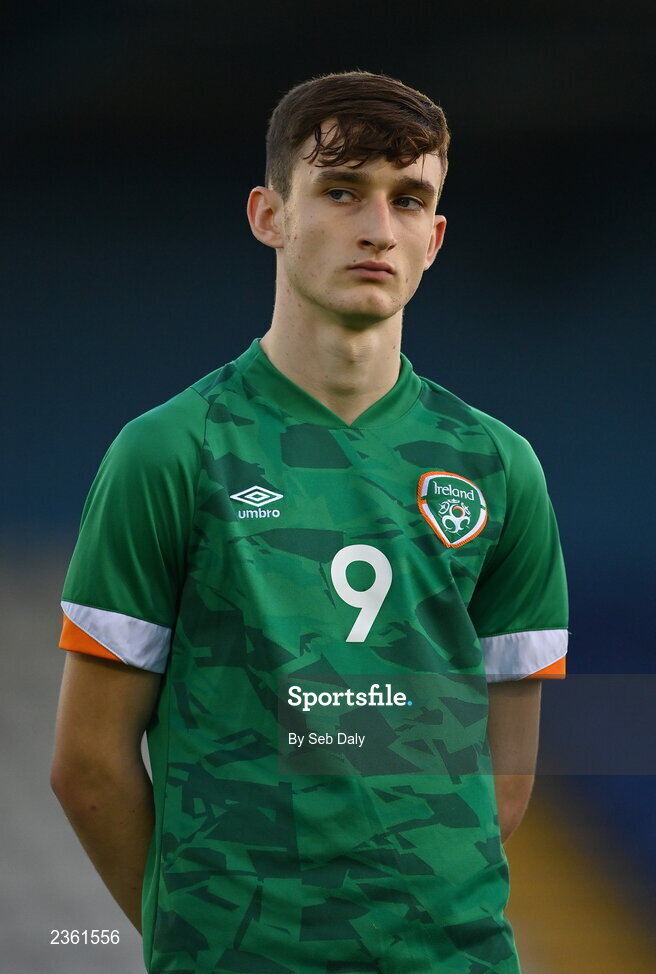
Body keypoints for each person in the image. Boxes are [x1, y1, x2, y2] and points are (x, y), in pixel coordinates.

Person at [51, 70, 568, 974]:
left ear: (436, 237)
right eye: (341, 190)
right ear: (269, 215)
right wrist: (210, 935)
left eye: (409, 200)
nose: (378, 227)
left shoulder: (499, 467)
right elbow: (86, 766)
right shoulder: (170, 450)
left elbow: (506, 778)